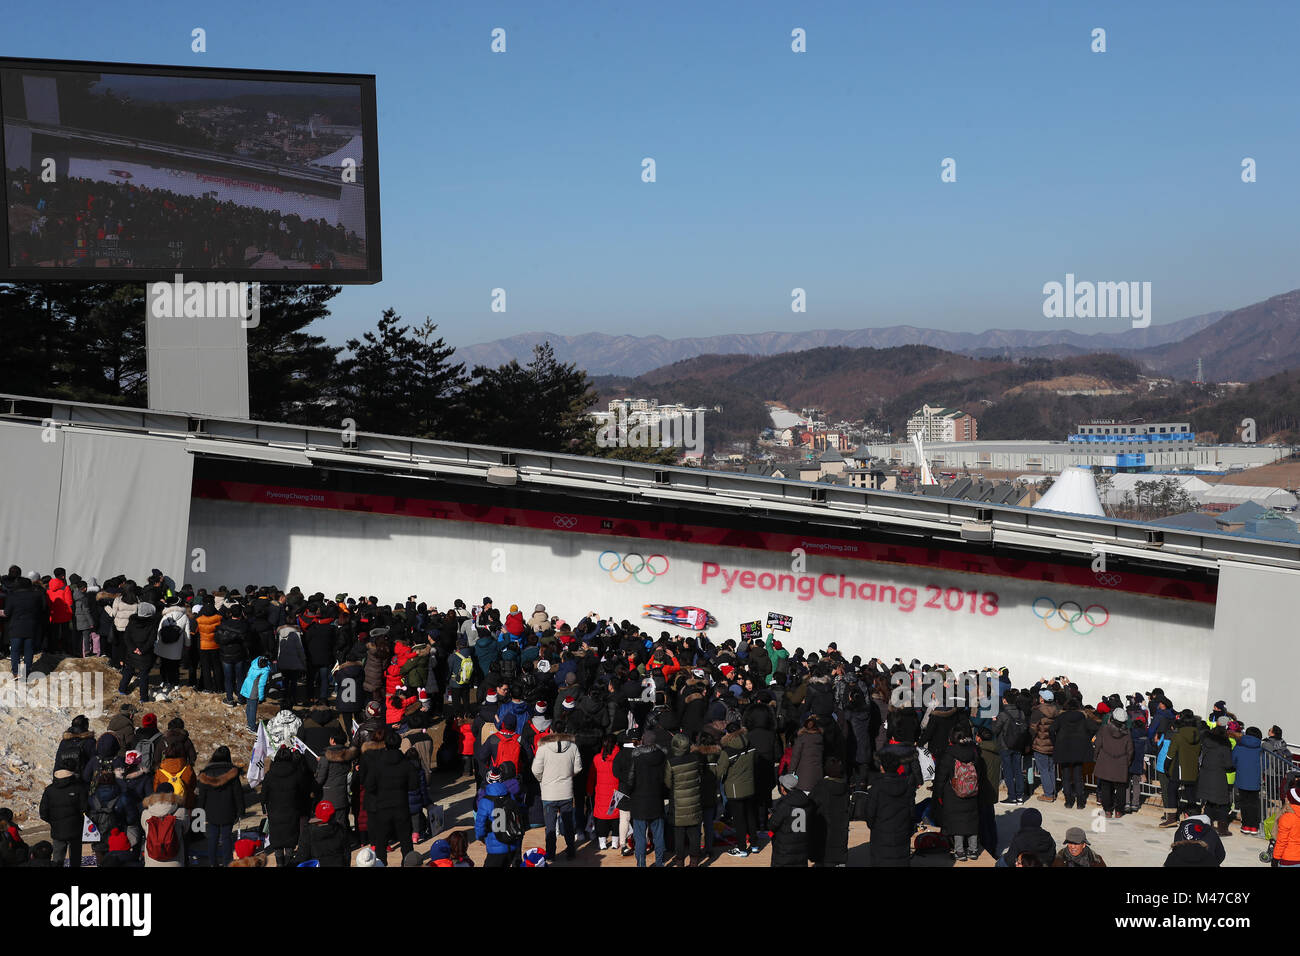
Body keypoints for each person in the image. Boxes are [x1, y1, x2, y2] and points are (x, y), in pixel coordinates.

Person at [363, 730, 418, 862]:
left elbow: (369, 786)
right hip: (401, 806)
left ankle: (381, 863)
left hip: (383, 807)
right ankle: (409, 863)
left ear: (385, 745)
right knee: (405, 840)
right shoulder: (406, 764)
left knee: (381, 841)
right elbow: (414, 785)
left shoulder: (378, 764)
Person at [531, 721, 582, 862]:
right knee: (568, 824)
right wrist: (567, 776)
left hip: (549, 793)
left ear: (551, 731)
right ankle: (571, 851)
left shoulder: (543, 748)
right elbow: (578, 768)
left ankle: (551, 854)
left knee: (550, 826)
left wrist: (543, 780)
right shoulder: (573, 747)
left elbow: (536, 770)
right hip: (566, 791)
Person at [933, 726, 984, 862]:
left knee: (956, 822)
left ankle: (960, 851)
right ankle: (973, 850)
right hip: (972, 790)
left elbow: (941, 777)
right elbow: (980, 771)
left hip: (953, 792)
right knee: (971, 821)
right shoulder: (974, 751)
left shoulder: (949, 753)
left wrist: (938, 794)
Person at [618, 728, 668, 867]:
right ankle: (660, 863)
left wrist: (630, 792)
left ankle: (641, 864)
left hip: (639, 802)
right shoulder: (662, 757)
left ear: (643, 741)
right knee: (658, 836)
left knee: (640, 838)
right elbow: (666, 779)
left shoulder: (637, 758)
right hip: (656, 800)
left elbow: (630, 780)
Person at [260, 747, 313, 866]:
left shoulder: (270, 775)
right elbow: (303, 792)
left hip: (275, 812)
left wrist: (265, 808)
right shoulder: (296, 773)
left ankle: (280, 864)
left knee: (277, 840)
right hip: (292, 811)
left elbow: (263, 795)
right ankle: (288, 863)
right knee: (290, 841)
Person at [194, 745, 245, 866]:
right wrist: (241, 810)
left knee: (213, 838)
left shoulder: (205, 774)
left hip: (211, 812)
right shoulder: (232, 773)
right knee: (227, 838)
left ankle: (213, 863)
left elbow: (202, 797)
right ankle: (227, 862)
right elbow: (238, 793)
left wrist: (198, 813)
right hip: (228, 810)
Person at [865, 749, 915, 867]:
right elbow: (912, 813)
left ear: (882, 767)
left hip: (881, 834)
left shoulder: (876, 787)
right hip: (901, 834)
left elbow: (870, 814)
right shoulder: (907, 786)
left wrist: (875, 827)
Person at [717, 721, 758, 857]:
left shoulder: (727, 751)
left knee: (739, 820)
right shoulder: (751, 744)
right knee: (750, 816)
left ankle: (742, 848)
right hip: (749, 786)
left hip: (735, 789)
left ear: (728, 734)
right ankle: (755, 844)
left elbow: (720, 771)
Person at [39, 755, 89, 868]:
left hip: (57, 830)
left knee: (57, 860)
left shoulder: (49, 789)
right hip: (75, 829)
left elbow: (43, 812)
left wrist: (53, 821)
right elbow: (85, 809)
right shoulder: (79, 788)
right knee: (75, 860)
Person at [664, 732, 703, 867]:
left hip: (678, 803)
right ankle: (694, 860)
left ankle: (680, 860)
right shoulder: (695, 758)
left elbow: (668, 784)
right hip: (694, 801)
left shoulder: (671, 762)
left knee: (679, 835)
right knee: (694, 833)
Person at [475, 767, 524, 866]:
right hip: (512, 844)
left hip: (496, 848)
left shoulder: (485, 801)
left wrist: (480, 837)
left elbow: (480, 824)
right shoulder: (510, 796)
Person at [1093, 710, 1134, 818]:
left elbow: (1098, 745)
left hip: (1105, 761)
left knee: (1106, 787)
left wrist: (1096, 757)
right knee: (1121, 788)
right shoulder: (1127, 733)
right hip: (1121, 763)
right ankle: (1119, 811)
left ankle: (1107, 810)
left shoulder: (1104, 729)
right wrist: (1127, 762)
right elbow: (1130, 750)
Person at [767, 772, 813, 867]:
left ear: (783, 789)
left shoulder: (783, 805)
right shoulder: (808, 803)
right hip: (802, 852)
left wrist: (771, 818)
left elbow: (772, 826)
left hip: (784, 854)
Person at [139, 783, 186, 867]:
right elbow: (185, 829)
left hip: (152, 860)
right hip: (174, 859)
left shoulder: (146, 813)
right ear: (172, 794)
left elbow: (145, 828)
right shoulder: (181, 811)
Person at [294, 801, 351, 867]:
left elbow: (302, 856)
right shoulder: (340, 829)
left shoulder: (308, 832)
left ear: (317, 814)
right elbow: (347, 854)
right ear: (333, 815)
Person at [1029, 689, 1060, 802]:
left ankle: (1048, 794)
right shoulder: (1057, 711)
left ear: (1042, 699)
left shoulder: (1038, 712)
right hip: (1052, 744)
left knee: (1043, 770)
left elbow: (1032, 730)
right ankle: (1053, 792)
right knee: (1051, 769)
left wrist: (1029, 742)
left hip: (1040, 744)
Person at [1233, 726, 1264, 835]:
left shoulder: (1239, 747)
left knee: (1244, 803)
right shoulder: (1261, 750)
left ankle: (1245, 825)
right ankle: (1254, 827)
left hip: (1242, 779)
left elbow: (1233, 761)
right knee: (1254, 803)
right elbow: (1265, 764)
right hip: (1255, 780)